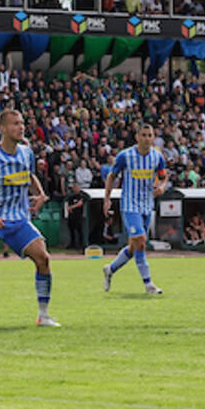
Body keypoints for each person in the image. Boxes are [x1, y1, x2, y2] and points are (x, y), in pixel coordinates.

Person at [0, 109, 58, 327]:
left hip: (19, 219)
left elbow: (30, 175)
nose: (21, 127)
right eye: (15, 123)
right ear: (3, 128)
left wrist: (41, 193)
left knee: (43, 258)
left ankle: (43, 315)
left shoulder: (26, 153)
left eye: (22, 123)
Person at [101, 125, 168, 295]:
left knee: (134, 247)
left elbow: (163, 175)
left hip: (147, 204)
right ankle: (148, 284)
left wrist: (162, 186)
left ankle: (110, 269)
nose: (147, 138)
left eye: (150, 135)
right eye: (143, 135)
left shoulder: (156, 156)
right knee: (141, 241)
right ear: (137, 137)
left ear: (153, 137)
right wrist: (107, 199)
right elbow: (112, 176)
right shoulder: (126, 155)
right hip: (130, 205)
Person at [64, 181, 87, 251]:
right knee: (72, 231)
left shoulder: (82, 195)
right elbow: (67, 202)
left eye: (77, 187)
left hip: (79, 216)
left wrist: (71, 207)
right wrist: (68, 208)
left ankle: (82, 245)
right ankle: (73, 244)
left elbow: (80, 203)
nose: (76, 189)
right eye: (75, 188)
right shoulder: (71, 196)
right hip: (71, 216)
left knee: (80, 231)